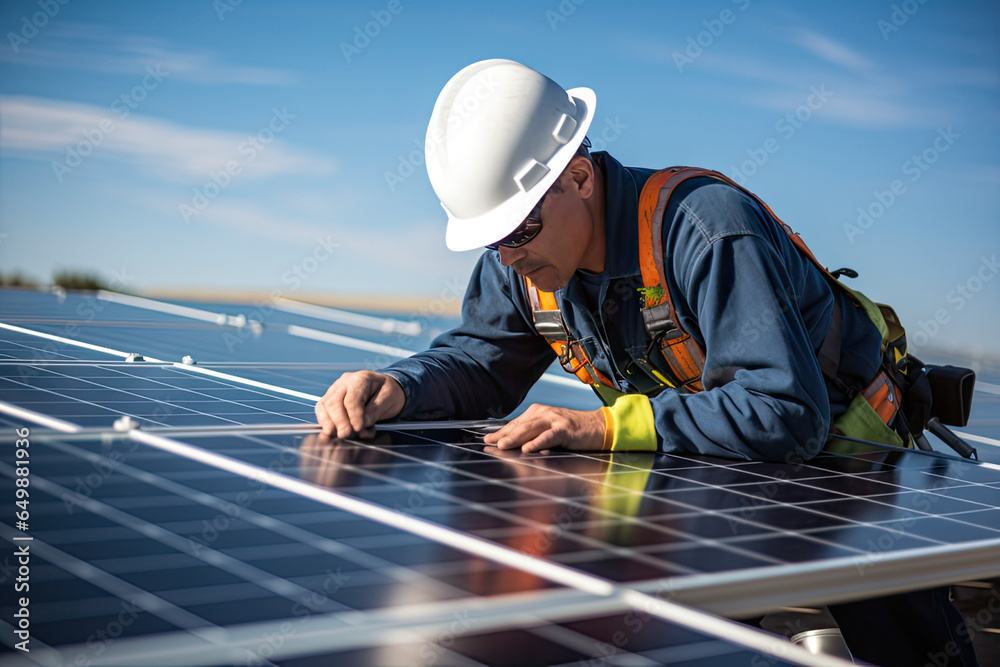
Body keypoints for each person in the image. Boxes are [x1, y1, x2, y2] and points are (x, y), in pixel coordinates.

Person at [315, 59, 977, 666]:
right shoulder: (521, 264)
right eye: (492, 241)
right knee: (675, 634)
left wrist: (602, 428)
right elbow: (480, 361)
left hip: (847, 463)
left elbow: (784, 411)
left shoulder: (707, 230)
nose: (507, 256)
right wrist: (400, 386)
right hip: (716, 468)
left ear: (577, 175)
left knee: (904, 642)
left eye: (517, 230)